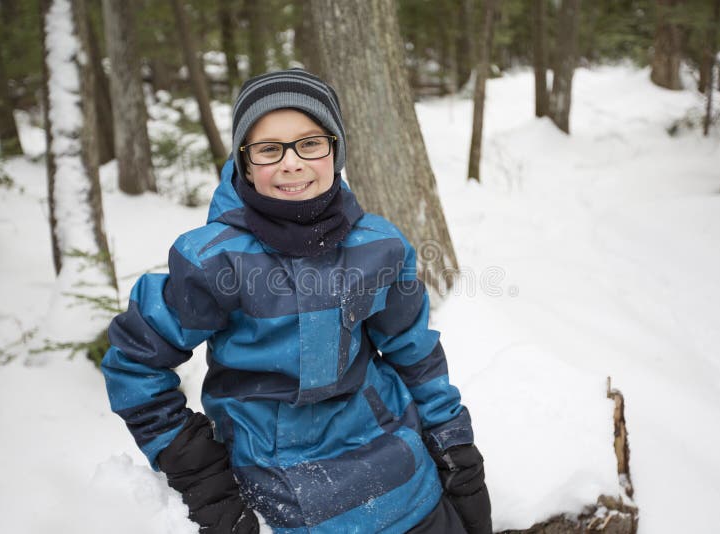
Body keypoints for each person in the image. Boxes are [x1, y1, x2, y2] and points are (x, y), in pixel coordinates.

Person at [101, 68, 492, 534]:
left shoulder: (379, 245)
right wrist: (204, 480)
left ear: (336, 150)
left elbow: (416, 353)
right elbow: (135, 365)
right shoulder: (214, 261)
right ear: (244, 162)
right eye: (269, 149)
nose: (292, 163)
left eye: (310, 143)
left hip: (407, 485)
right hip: (283, 503)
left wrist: (456, 447)